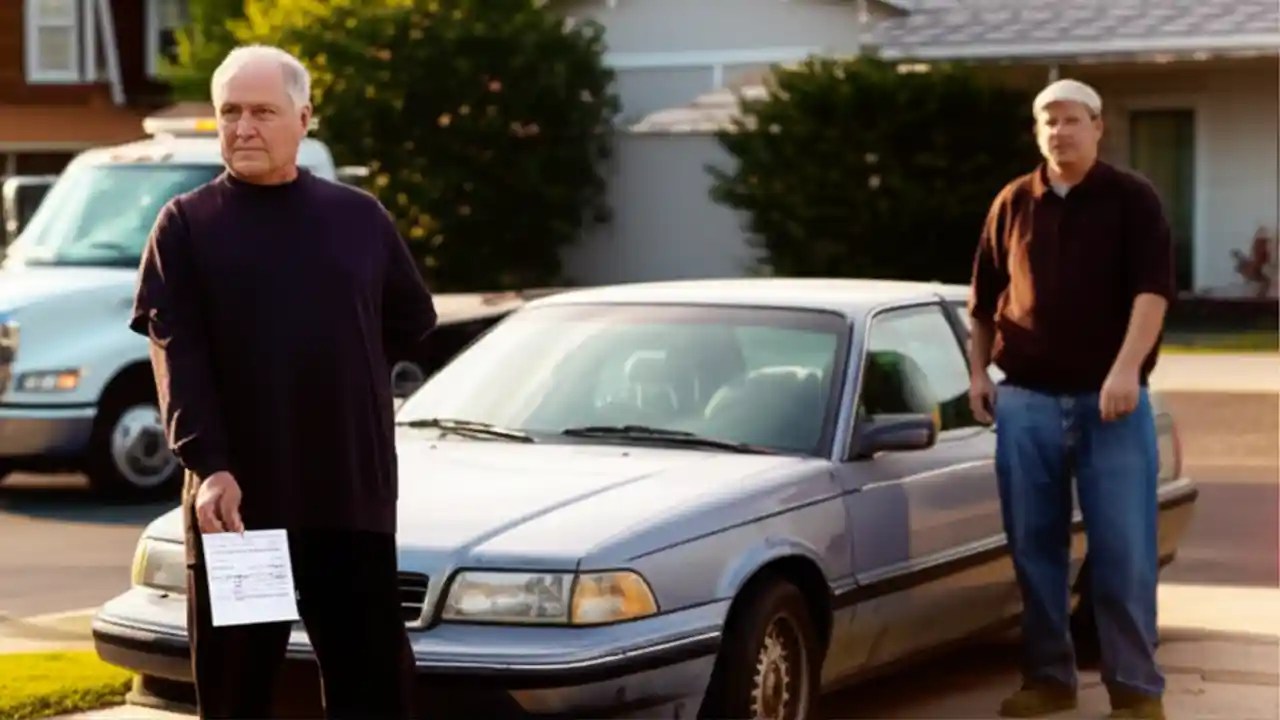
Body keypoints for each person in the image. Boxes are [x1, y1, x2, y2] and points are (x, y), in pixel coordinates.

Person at [130, 44, 437, 719]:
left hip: (348, 497)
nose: (243, 127)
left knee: (372, 683)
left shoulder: (360, 220)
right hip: (241, 510)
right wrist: (210, 465)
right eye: (229, 112)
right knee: (240, 688)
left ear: (304, 117)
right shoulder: (185, 226)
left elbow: (413, 320)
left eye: (262, 111)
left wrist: (333, 372)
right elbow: (176, 358)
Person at [967, 78, 1175, 720]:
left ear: (1097, 126)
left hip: (1109, 405)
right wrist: (978, 375)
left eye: (1072, 119)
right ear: (1038, 132)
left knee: (1124, 552)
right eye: (1048, 121)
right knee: (1034, 550)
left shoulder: (1132, 199)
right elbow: (984, 300)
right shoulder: (1012, 202)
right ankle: (1050, 680)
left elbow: (1152, 294)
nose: (1060, 130)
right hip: (1024, 402)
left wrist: (1124, 371)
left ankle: (1136, 692)